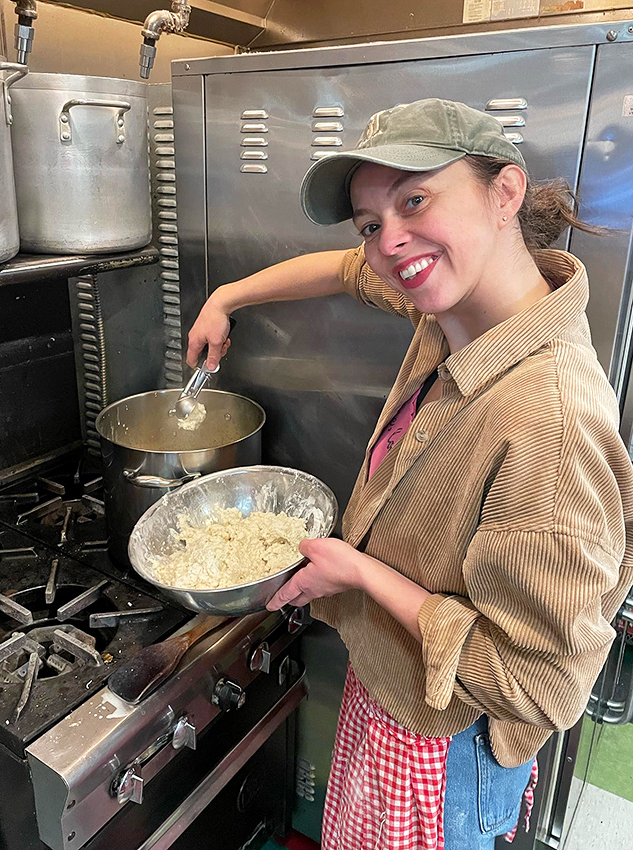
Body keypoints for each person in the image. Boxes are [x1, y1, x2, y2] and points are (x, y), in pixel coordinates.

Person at [187, 99, 633, 849]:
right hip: (393, 688)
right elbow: (338, 270)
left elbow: (538, 686)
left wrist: (361, 576)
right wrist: (225, 296)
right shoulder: (456, 306)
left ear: (505, 193)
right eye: (370, 223)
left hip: (444, 746)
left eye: (416, 199)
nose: (390, 241)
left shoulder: (548, 419)